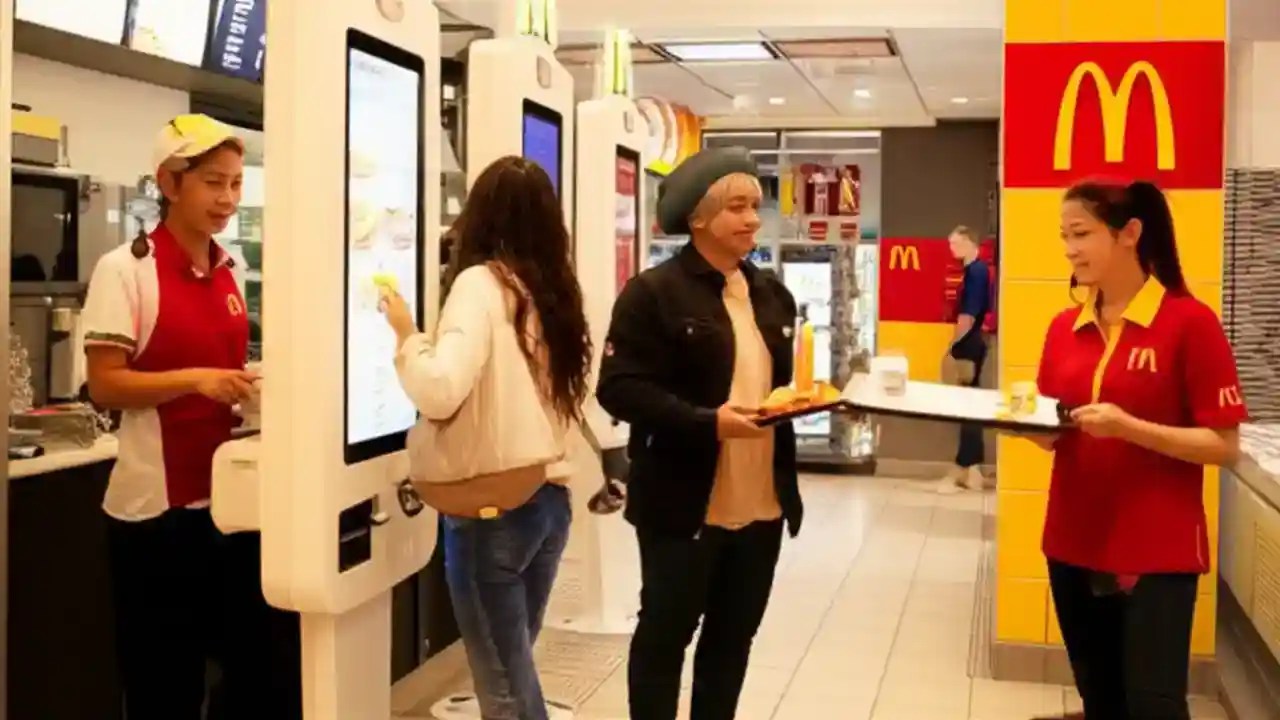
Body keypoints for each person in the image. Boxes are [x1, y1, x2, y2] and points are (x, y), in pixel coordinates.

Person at [82, 114, 301, 720]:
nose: (228, 199)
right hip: (156, 518)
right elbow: (105, 384)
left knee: (268, 672)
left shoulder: (229, 271)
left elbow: (223, 372)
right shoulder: (124, 270)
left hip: (229, 509)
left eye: (235, 183)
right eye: (212, 183)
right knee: (164, 688)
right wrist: (196, 381)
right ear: (169, 183)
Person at [379, 156, 591, 720]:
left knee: (503, 694)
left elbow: (442, 389)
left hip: (491, 511)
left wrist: (406, 334)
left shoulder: (479, 284)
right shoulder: (554, 291)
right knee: (515, 677)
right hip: (548, 504)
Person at [1026, 179, 1245, 720]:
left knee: (1153, 706)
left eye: (1081, 233)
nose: (1070, 249)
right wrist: (1037, 432)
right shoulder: (1063, 328)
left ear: (1130, 234)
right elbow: (1056, 424)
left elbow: (1224, 447)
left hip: (1157, 550)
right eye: (1064, 236)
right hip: (1073, 541)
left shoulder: (1191, 324)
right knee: (1099, 701)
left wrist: (1132, 428)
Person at [596, 148, 801, 720]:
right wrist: (708, 422)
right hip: (684, 508)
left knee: (731, 644)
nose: (752, 220)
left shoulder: (770, 294)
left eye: (755, 207)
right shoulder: (652, 294)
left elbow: (779, 388)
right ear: (698, 218)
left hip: (761, 506)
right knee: (664, 639)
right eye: (737, 206)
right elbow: (619, 389)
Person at [939, 225, 993, 493]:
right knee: (968, 405)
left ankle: (966, 466)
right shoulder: (974, 271)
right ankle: (970, 469)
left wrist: (953, 344)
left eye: (956, 243)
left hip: (970, 343)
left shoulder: (976, 272)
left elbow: (968, 314)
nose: (952, 249)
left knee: (967, 405)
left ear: (971, 242)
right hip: (973, 342)